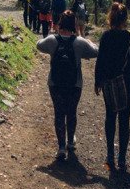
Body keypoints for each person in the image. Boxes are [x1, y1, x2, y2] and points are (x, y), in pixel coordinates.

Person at [36, 10, 98, 161]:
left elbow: (38, 45)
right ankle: (71, 142)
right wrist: (87, 41)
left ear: (60, 24)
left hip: (55, 83)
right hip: (74, 84)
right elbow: (96, 52)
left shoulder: (52, 41)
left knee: (59, 113)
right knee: (71, 112)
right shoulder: (79, 43)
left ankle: (61, 147)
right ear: (74, 25)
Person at [94, 2, 130, 172]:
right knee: (124, 120)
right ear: (125, 19)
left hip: (109, 82)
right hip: (127, 83)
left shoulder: (106, 37)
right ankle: (122, 158)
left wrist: (97, 81)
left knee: (110, 116)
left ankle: (109, 155)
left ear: (111, 18)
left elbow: (100, 61)